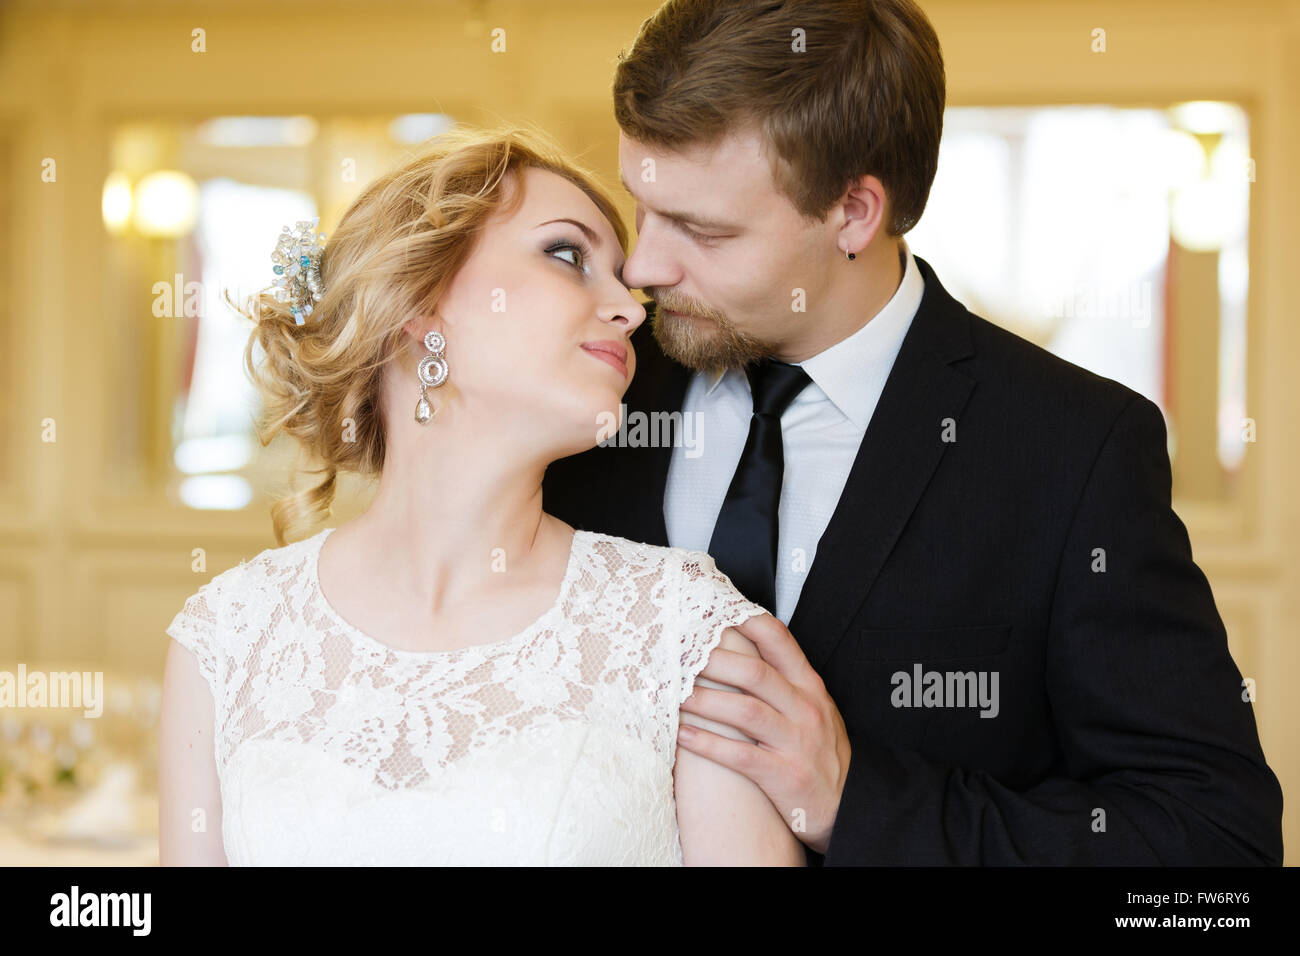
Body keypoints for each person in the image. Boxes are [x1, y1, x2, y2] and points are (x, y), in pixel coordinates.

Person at [543, 0, 1284, 865]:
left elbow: (1215, 847)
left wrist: (856, 802)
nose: (643, 266)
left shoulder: (1074, 449)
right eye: (644, 204)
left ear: (855, 212)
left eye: (703, 229)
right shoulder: (585, 393)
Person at [158, 125, 806, 866]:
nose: (632, 309)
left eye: (622, 278)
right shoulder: (227, 638)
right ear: (421, 303)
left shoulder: (681, 630)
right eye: (568, 255)